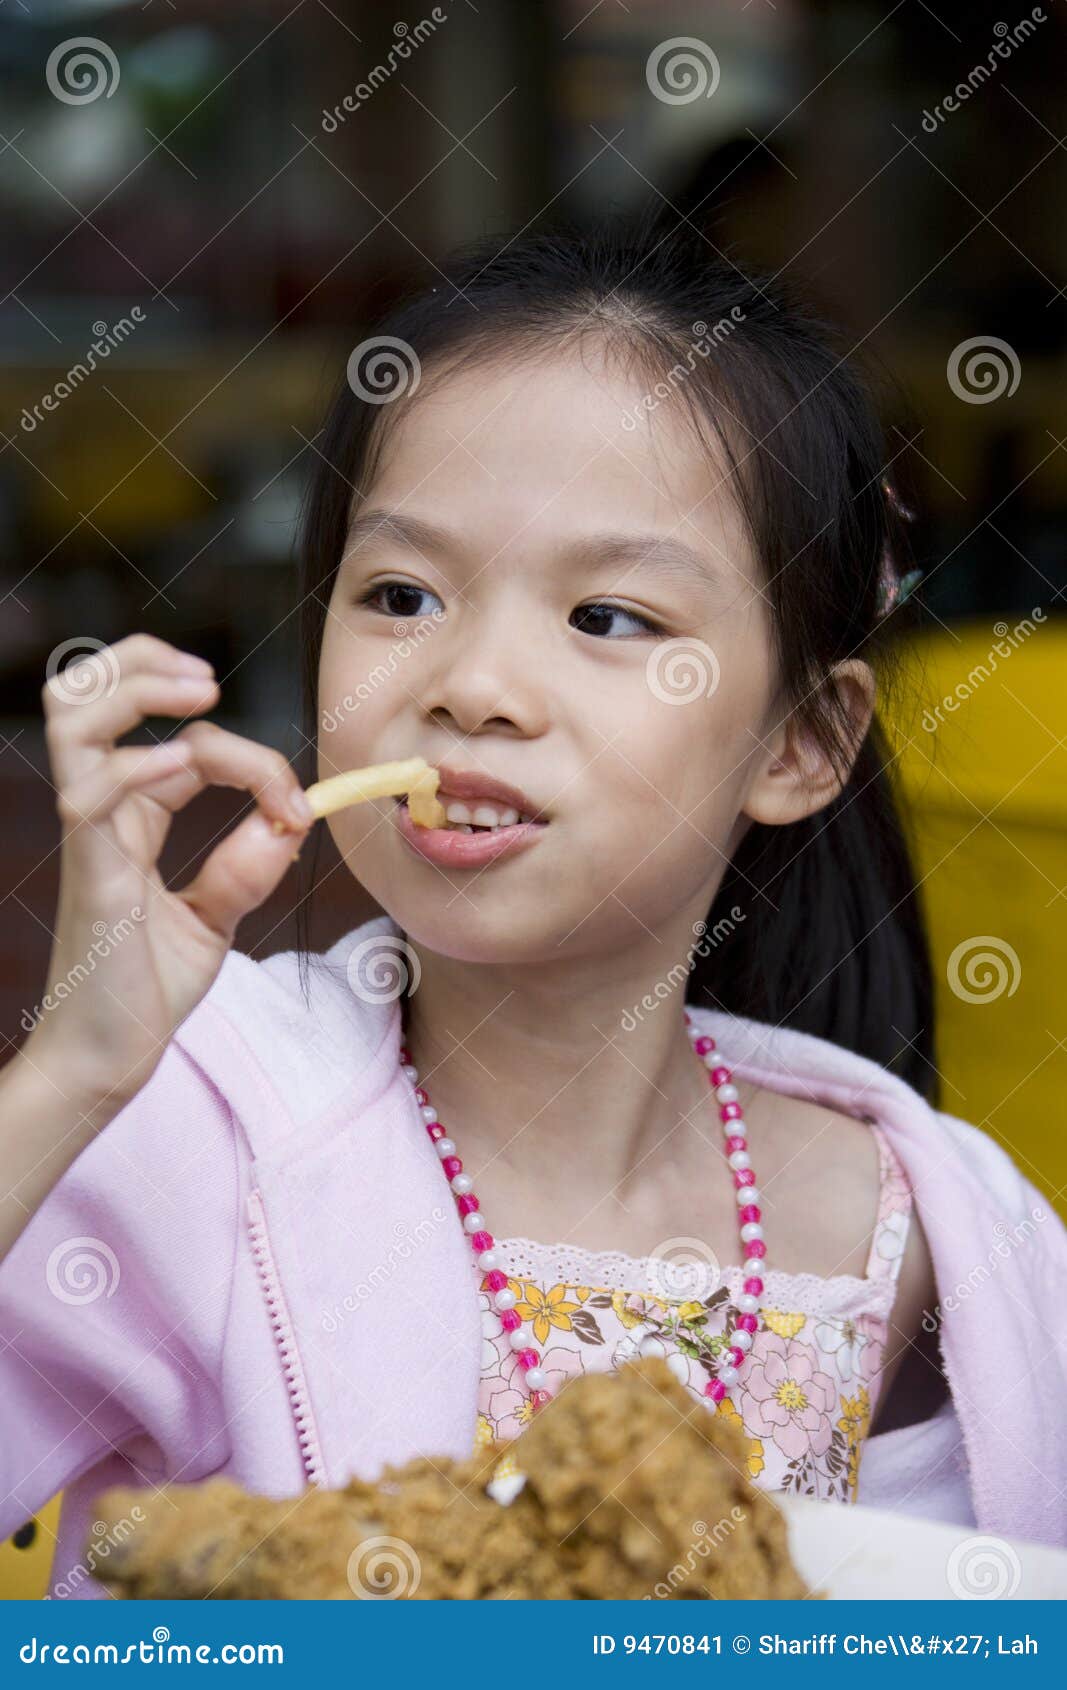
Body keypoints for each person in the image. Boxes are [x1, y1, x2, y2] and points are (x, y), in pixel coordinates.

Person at [2, 212, 1064, 1601]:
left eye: (607, 617)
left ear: (801, 741)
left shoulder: (926, 1229)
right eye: (401, 594)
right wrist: (73, 1072)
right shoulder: (197, 1129)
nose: (474, 685)